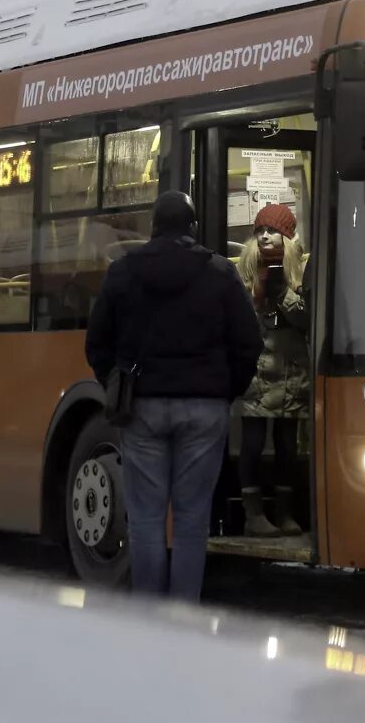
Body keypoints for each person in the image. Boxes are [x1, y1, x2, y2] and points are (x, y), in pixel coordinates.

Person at [85, 190, 262, 601]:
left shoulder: (124, 272)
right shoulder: (220, 272)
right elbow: (248, 342)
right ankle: (183, 617)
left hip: (142, 406)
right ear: (193, 228)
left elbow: (97, 341)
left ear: (153, 228)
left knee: (145, 519)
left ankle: (149, 616)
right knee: (192, 519)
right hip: (204, 409)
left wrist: (116, 380)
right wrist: (224, 390)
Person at [235, 203, 310, 538]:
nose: (265, 236)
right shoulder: (244, 270)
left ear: (287, 237)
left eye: (272, 231)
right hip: (256, 369)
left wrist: (282, 292)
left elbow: (306, 319)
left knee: (287, 446)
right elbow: (237, 317)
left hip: (290, 370)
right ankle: (253, 514)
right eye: (260, 231)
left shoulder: (301, 270)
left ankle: (284, 511)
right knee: (252, 442)